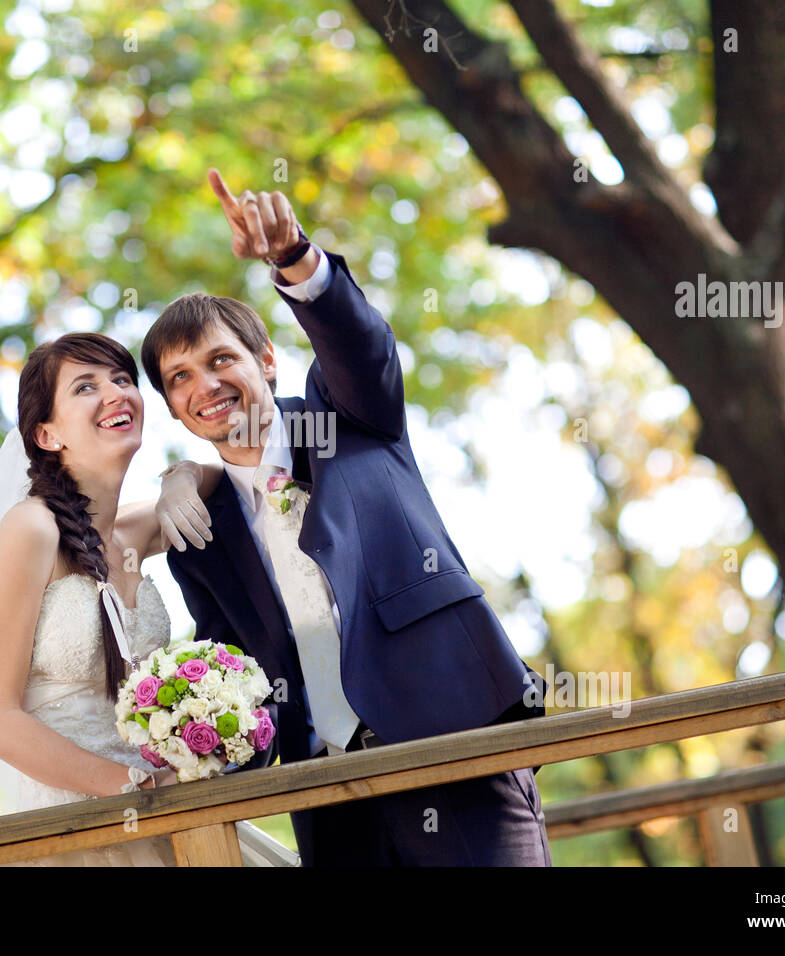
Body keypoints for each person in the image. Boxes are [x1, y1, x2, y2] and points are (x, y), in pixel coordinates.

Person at [141, 169, 552, 866]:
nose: (204, 385)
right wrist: (196, 743)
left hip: (457, 747)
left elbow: (360, 346)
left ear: (266, 361)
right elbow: (240, 676)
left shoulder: (351, 419)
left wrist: (293, 256)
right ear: (175, 408)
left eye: (220, 360)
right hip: (326, 796)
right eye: (179, 378)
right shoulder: (197, 538)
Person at [0, 331, 290, 866]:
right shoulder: (30, 530)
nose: (115, 394)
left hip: (162, 809)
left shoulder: (133, 531)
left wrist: (180, 478)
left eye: (123, 379)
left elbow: (224, 474)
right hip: (76, 824)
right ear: (46, 433)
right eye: (86, 387)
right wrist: (135, 785)